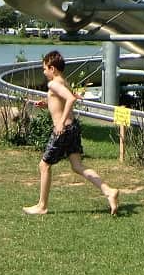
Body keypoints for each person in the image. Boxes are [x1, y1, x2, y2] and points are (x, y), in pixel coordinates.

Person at [23, 50, 119, 216]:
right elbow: (67, 97)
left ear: (52, 68)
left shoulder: (53, 83)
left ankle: (42, 206)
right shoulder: (62, 81)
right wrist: (47, 103)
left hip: (64, 130)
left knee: (44, 165)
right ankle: (109, 191)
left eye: (45, 68)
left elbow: (71, 99)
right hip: (73, 127)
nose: (44, 72)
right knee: (77, 166)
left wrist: (60, 122)